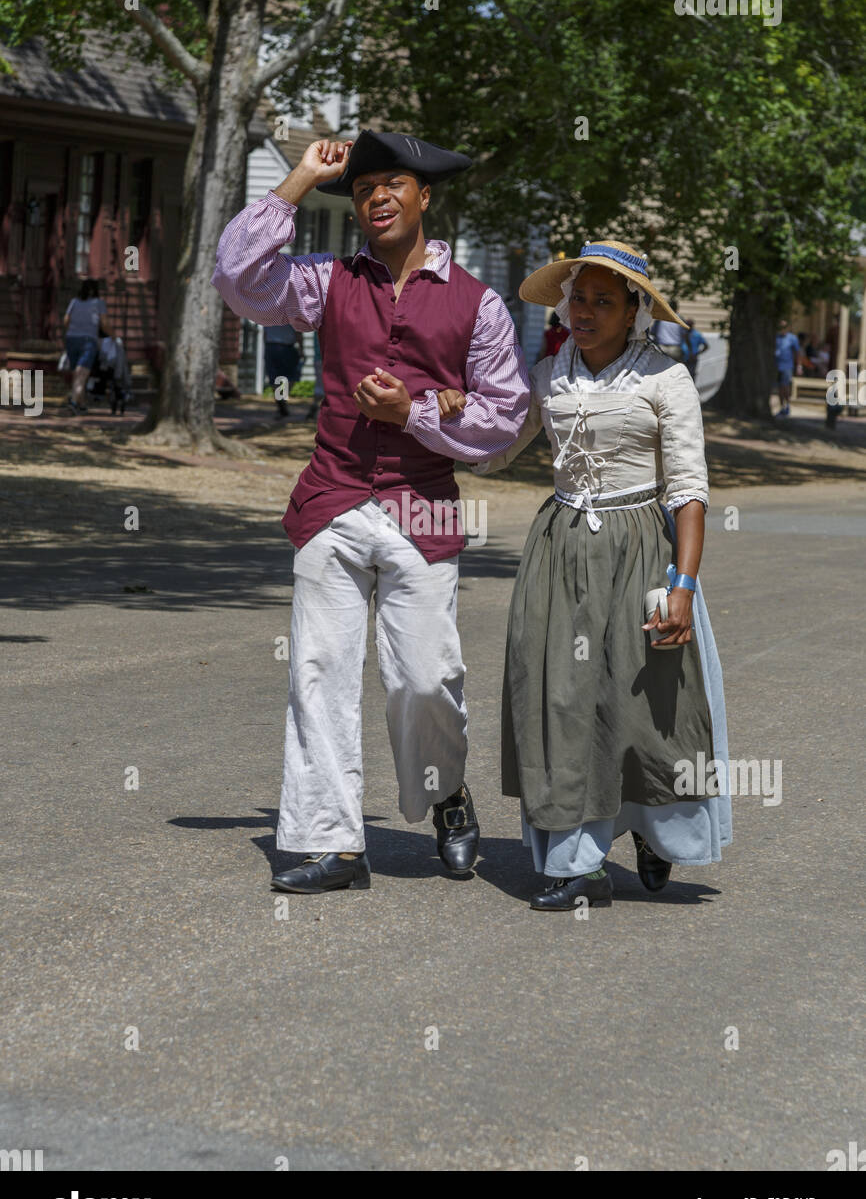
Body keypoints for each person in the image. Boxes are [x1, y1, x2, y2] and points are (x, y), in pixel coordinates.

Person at [212, 130, 530, 894]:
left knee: (423, 678)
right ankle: (334, 844)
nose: (376, 198)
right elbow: (238, 279)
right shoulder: (327, 281)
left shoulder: (478, 303)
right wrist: (297, 182)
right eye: (362, 189)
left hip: (423, 509)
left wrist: (417, 413)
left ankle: (447, 792)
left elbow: (504, 418)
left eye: (392, 185)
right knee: (318, 672)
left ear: (425, 197)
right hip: (333, 498)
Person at [473, 240, 731, 911]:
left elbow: (689, 491)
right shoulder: (545, 375)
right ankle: (576, 863)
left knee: (643, 704)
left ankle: (650, 829)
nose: (584, 311)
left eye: (603, 301)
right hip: (559, 550)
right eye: (578, 298)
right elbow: (497, 452)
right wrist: (437, 416)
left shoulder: (664, 380)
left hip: (641, 548)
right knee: (559, 698)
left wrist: (683, 584)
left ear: (634, 312)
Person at [62, 278, 111, 413]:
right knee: (81, 374)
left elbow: (66, 320)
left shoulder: (74, 302)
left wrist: (73, 329)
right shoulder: (99, 303)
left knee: (76, 373)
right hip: (88, 340)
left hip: (71, 339)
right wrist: (114, 336)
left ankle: (82, 404)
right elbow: (105, 324)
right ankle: (73, 402)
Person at [263, 323, 303, 418]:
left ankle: (280, 401)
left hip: (270, 346)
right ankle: (282, 400)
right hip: (287, 347)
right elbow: (298, 332)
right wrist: (301, 348)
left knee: (274, 377)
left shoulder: (267, 311)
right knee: (289, 376)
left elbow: (264, 333)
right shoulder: (292, 310)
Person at [775, 323, 800, 416]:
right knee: (780, 387)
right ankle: (782, 407)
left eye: (784, 327)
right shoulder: (777, 338)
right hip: (777, 365)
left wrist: (798, 366)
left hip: (787, 366)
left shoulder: (792, 338)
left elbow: (797, 352)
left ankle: (788, 406)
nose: (783, 329)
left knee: (785, 386)